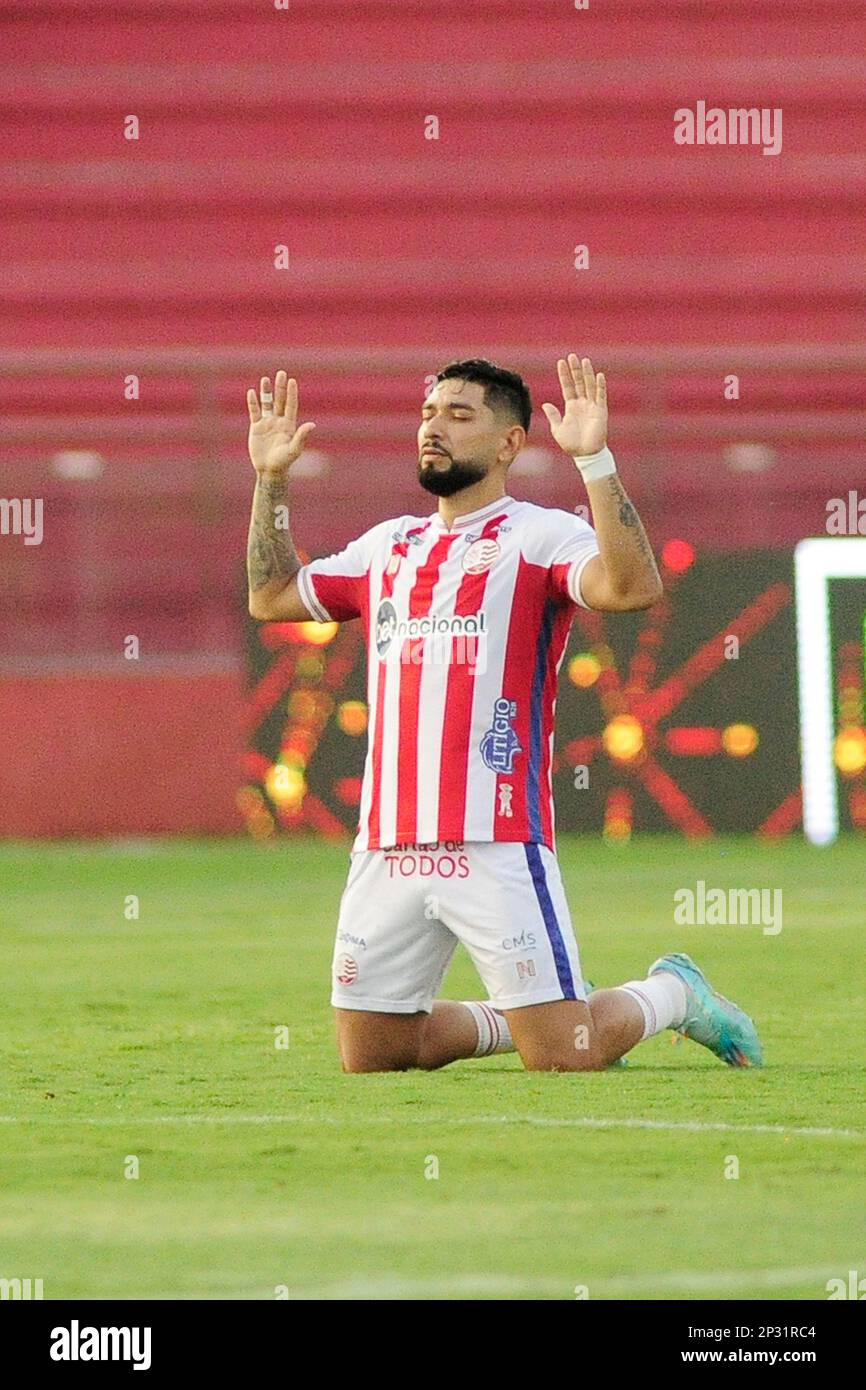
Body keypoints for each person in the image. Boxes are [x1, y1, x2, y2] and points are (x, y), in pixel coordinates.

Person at [245, 356, 763, 1074]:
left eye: (460, 416)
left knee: (564, 1059)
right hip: (387, 844)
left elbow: (633, 585)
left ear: (510, 444)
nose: (435, 427)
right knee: (377, 1056)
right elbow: (271, 597)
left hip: (496, 837)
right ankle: (526, 1019)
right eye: (429, 413)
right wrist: (270, 479)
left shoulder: (536, 537)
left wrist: (596, 459)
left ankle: (672, 993)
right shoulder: (386, 548)